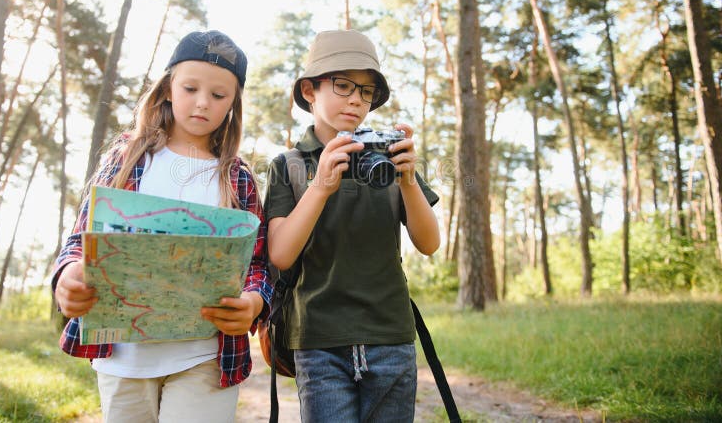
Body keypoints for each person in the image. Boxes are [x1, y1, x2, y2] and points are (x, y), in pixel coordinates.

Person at [51, 30, 272, 423]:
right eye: (190, 88)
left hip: (204, 355)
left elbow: (257, 264)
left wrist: (254, 303)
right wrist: (68, 276)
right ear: (169, 88)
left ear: (233, 105)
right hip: (123, 357)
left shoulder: (236, 177)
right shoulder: (128, 157)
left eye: (219, 96)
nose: (203, 103)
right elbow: (80, 239)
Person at [264, 29, 441, 422]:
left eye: (366, 91)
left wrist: (408, 180)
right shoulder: (289, 165)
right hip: (318, 338)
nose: (356, 99)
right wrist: (320, 187)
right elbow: (279, 253)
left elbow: (429, 243)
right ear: (309, 90)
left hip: (390, 334)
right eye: (343, 85)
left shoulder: (387, 154)